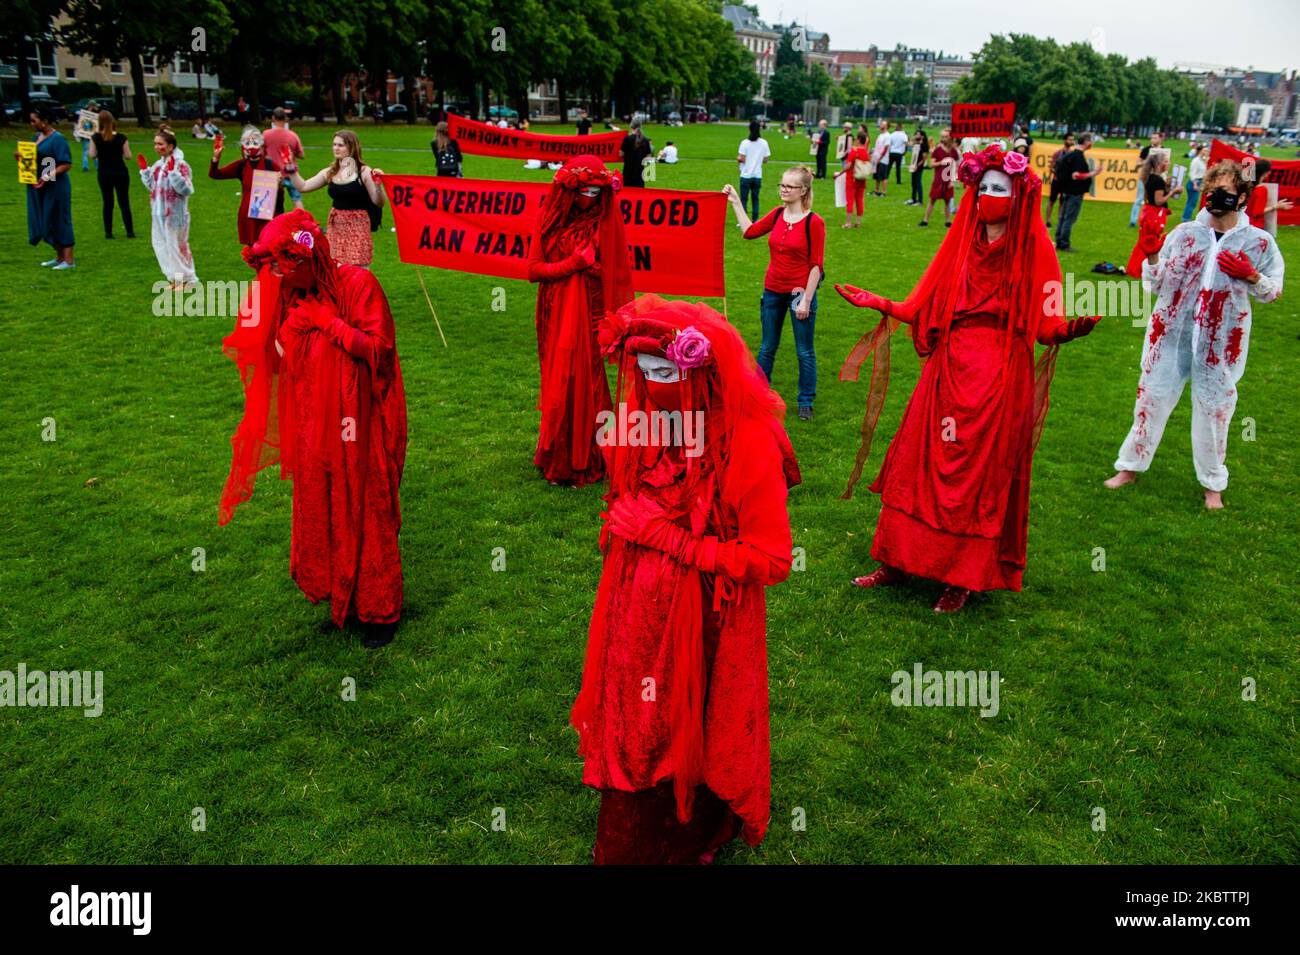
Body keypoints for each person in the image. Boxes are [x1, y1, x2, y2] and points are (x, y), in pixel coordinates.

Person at [571, 293, 800, 865]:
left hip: (705, 615)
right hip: (633, 603)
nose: (653, 386)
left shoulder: (746, 439)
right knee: (634, 714)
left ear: (700, 369)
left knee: (688, 718)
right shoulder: (644, 420)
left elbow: (772, 558)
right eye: (643, 373)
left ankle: (686, 831)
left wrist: (674, 541)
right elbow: (629, 496)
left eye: (666, 373)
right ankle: (636, 822)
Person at [836, 144, 1099, 613]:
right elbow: (921, 303)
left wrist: (1067, 330)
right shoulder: (962, 239)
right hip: (949, 367)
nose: (988, 197)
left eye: (1000, 189)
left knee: (978, 476)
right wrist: (880, 303)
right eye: (984, 188)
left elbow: (1045, 323)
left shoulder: (1035, 246)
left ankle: (963, 576)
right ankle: (897, 560)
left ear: (1019, 196)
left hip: (999, 375)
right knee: (918, 461)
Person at [218, 210, 407, 648]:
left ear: (307, 256)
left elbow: (380, 351)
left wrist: (330, 324)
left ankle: (377, 609)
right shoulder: (289, 291)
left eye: (286, 267)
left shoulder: (358, 285)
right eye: (277, 270)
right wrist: (284, 334)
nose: (281, 277)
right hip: (312, 420)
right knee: (323, 501)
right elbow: (279, 356)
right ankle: (336, 592)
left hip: (358, 421)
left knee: (364, 501)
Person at [1105, 160, 1284, 509]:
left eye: (1225, 193)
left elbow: (1273, 291)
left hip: (1221, 345)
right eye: (1210, 191)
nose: (1215, 198)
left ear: (1243, 197)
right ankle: (1129, 467)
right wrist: (1153, 256)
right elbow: (1155, 286)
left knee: (1215, 412)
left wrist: (1252, 277)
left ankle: (1213, 485)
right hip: (1169, 336)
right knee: (1150, 401)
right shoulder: (1185, 233)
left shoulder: (1259, 242)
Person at [527, 154, 635, 486]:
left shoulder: (604, 222)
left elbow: (614, 272)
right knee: (560, 379)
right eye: (585, 191)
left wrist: (592, 268)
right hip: (555, 311)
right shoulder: (550, 219)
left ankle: (591, 453)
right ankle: (558, 451)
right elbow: (533, 270)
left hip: (590, 312)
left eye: (596, 192)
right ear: (569, 190)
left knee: (589, 379)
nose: (590, 198)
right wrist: (573, 263)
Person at [722, 164, 824, 421]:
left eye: (789, 186)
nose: (784, 190)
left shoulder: (814, 222)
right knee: (767, 347)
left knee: (804, 350)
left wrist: (806, 301)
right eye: (782, 185)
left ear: (803, 191)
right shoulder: (778, 214)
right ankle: (757, 396)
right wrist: (735, 201)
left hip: (800, 294)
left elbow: (816, 265)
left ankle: (806, 401)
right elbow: (749, 231)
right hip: (772, 291)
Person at [284, 130, 386, 267]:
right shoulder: (331, 172)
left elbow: (379, 201)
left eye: (341, 145)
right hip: (336, 227)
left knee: (358, 270)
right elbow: (303, 186)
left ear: (351, 147)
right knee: (335, 267)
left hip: (358, 227)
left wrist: (378, 186)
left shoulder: (364, 172)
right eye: (334, 144)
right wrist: (290, 167)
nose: (336, 148)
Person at [139, 125, 196, 288]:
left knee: (176, 247)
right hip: (158, 214)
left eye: (160, 144)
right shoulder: (158, 165)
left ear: (170, 146)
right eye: (155, 144)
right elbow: (153, 187)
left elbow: (186, 189)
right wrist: (145, 172)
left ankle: (187, 279)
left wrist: (174, 175)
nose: (157, 147)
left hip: (175, 215)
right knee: (161, 246)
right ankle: (174, 278)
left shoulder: (181, 165)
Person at [210, 125, 286, 246]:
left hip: (268, 215)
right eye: (247, 142)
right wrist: (215, 159)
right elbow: (215, 174)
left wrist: (279, 185)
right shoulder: (241, 166)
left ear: (261, 145)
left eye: (255, 142)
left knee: (270, 250)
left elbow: (281, 193)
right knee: (252, 252)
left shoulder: (270, 165)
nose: (251, 146)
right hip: (249, 217)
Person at [22, 104, 76, 269]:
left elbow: (66, 163)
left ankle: (69, 260)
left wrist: (48, 175)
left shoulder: (57, 139)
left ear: (44, 121)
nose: (32, 124)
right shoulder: (37, 137)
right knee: (47, 220)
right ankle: (59, 257)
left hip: (55, 185)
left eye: (34, 121)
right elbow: (35, 159)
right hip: (39, 186)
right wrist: (22, 157)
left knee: (60, 219)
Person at [1124, 150, 1180, 278]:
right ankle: (1143, 269)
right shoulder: (1157, 180)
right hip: (1154, 215)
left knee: (1143, 242)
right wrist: (1173, 191)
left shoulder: (1152, 177)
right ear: (1159, 164)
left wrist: (1167, 186)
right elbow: (1159, 201)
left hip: (1148, 212)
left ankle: (1135, 268)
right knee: (1150, 243)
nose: (1168, 163)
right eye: (1166, 161)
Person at [88, 109, 134, 240]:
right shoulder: (121, 138)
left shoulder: (96, 138)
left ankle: (108, 232)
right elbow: (128, 156)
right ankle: (129, 231)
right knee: (124, 202)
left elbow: (92, 155)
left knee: (108, 202)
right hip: (120, 172)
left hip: (104, 172)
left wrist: (100, 152)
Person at [1054, 132, 1102, 252]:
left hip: (1065, 190)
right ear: (1086, 142)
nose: (1092, 143)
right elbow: (1076, 175)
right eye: (1091, 140)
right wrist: (1093, 173)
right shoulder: (1078, 157)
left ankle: (1059, 240)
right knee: (1069, 218)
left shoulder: (1071, 155)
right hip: (1074, 192)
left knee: (1063, 217)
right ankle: (1064, 243)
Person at [263, 107, 306, 210]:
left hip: (272, 173)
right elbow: (302, 155)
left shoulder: (265, 134)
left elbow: (261, 153)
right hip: (290, 173)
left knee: (267, 202)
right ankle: (302, 223)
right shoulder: (292, 135)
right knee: (297, 200)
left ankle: (269, 225)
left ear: (273, 118)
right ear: (286, 118)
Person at [1242, 158, 1295, 229]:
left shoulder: (1247, 185)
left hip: (1244, 222)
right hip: (1255, 225)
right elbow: (1257, 212)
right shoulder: (1261, 189)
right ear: (1266, 172)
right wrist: (1276, 206)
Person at [833, 131, 871, 228]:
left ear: (858, 140)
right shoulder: (866, 152)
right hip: (862, 179)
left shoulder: (854, 151)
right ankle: (858, 222)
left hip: (852, 179)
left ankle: (848, 223)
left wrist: (839, 174)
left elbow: (848, 166)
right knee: (859, 200)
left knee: (850, 200)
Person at [920, 127, 956, 227]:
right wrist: (941, 162)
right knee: (932, 200)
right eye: (942, 137)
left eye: (946, 137)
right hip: (938, 180)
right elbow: (931, 164)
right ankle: (925, 220)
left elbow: (955, 166)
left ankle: (948, 221)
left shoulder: (953, 151)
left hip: (948, 180)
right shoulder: (937, 150)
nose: (943, 139)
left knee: (947, 201)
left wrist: (952, 181)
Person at [736, 120, 771, 222]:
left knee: (744, 199)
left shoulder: (745, 143)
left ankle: (743, 220)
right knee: (755, 199)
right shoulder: (764, 143)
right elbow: (766, 160)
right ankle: (755, 220)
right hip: (757, 175)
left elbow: (741, 158)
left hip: (746, 175)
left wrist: (739, 159)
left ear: (749, 129)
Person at [1130, 131, 1164, 226]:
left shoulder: (1164, 150)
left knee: (1153, 201)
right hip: (1145, 177)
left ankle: (1150, 221)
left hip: (1157, 179)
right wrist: (1147, 161)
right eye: (1152, 138)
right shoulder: (1146, 150)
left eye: (1155, 138)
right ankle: (1133, 220)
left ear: (1160, 139)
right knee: (1139, 199)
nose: (1153, 140)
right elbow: (1137, 164)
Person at [1043, 132, 1075, 230]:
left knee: (1063, 202)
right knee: (1052, 201)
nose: (1071, 141)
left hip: (1066, 183)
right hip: (1057, 181)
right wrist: (1058, 173)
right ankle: (1048, 221)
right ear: (1065, 140)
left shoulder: (1072, 154)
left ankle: (1060, 221)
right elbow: (1051, 167)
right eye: (1069, 139)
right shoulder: (1058, 153)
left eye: (1072, 139)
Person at [620, 120, 652, 188]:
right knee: (639, 193)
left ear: (631, 126)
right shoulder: (645, 140)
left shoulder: (627, 139)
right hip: (640, 171)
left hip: (628, 170)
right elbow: (649, 156)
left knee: (627, 191)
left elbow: (621, 154)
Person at [1182, 143, 1206, 222]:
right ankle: (1186, 219)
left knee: (1193, 202)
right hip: (1195, 182)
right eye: (1204, 150)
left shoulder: (1201, 160)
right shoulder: (1195, 161)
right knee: (1191, 202)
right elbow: (1192, 173)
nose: (1205, 151)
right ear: (1200, 151)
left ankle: (1186, 218)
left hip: (1199, 181)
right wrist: (1195, 184)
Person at [907, 128, 930, 206]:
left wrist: (917, 165)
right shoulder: (917, 144)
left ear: (922, 136)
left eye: (918, 134)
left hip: (919, 166)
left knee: (918, 182)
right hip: (914, 165)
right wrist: (914, 138)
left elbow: (924, 158)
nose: (916, 135)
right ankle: (913, 199)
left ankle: (920, 200)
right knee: (913, 182)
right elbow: (909, 144)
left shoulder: (924, 146)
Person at [870, 125, 891, 197]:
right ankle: (876, 190)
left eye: (883, 124)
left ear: (886, 126)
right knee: (877, 176)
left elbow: (886, 148)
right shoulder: (880, 135)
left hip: (883, 159)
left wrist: (880, 158)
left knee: (883, 176)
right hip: (876, 157)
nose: (881, 125)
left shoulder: (888, 136)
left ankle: (883, 192)